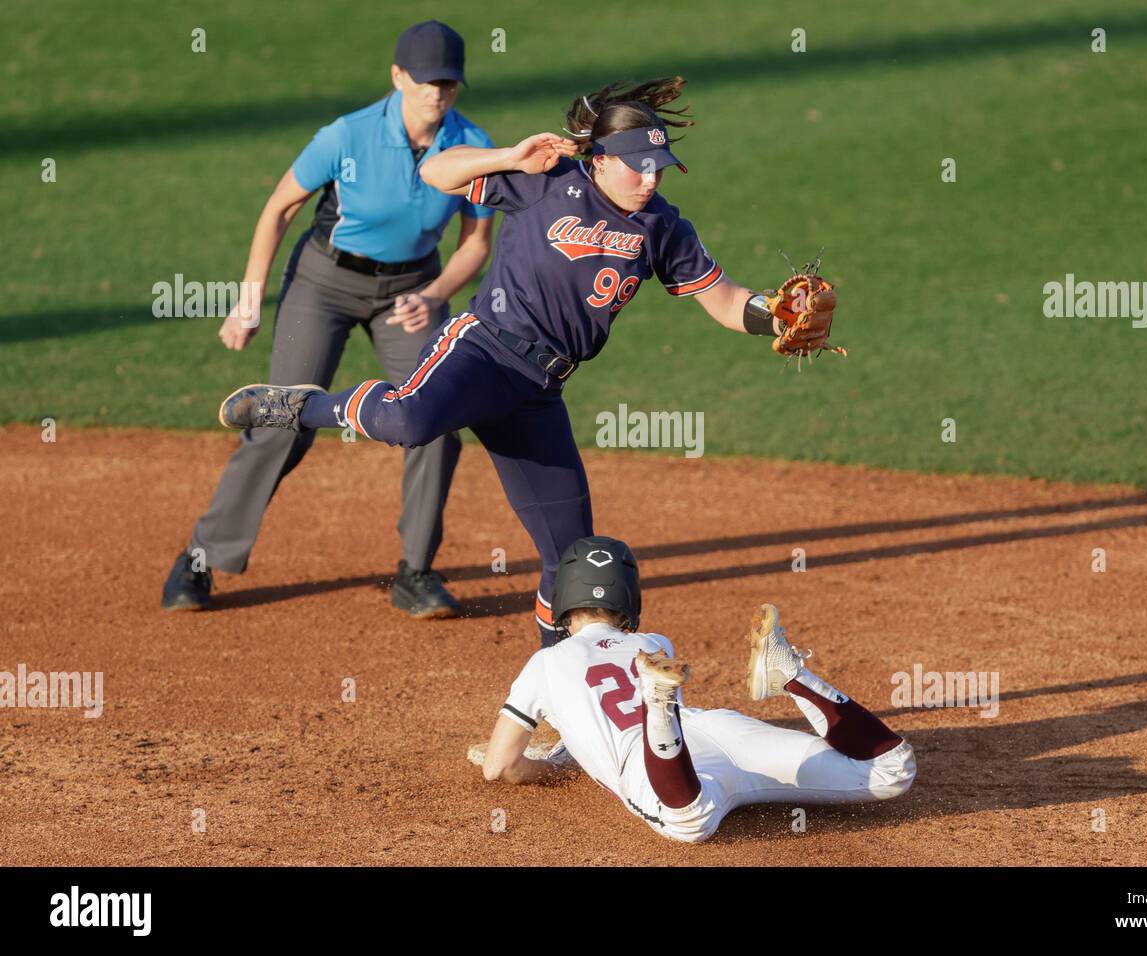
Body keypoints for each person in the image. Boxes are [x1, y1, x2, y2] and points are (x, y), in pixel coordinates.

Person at [215, 78, 838, 645]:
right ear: (600, 159)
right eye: (639, 167)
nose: (651, 179)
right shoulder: (543, 180)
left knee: (573, 563)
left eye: (660, 167)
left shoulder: (665, 228)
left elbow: (723, 299)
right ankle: (298, 405)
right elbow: (437, 172)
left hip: (540, 390)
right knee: (409, 424)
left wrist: (772, 315)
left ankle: (558, 701)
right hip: (483, 350)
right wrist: (509, 156)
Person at [163, 20, 495, 619]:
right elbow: (280, 206)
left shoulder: (470, 145)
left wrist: (437, 291)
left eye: (449, 82)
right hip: (324, 282)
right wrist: (249, 299)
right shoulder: (347, 135)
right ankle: (201, 559)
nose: (437, 92)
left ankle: (416, 572)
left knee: (437, 420)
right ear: (398, 77)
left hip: (413, 289)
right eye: (426, 81)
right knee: (282, 418)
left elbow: (475, 243)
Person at [474, 536, 916, 843]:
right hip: (720, 732)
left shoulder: (545, 663)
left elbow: (499, 766)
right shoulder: (652, 643)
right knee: (892, 772)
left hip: (657, 763)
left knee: (689, 822)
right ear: (628, 597)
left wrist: (556, 770)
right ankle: (791, 676)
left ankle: (658, 706)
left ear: (561, 603)